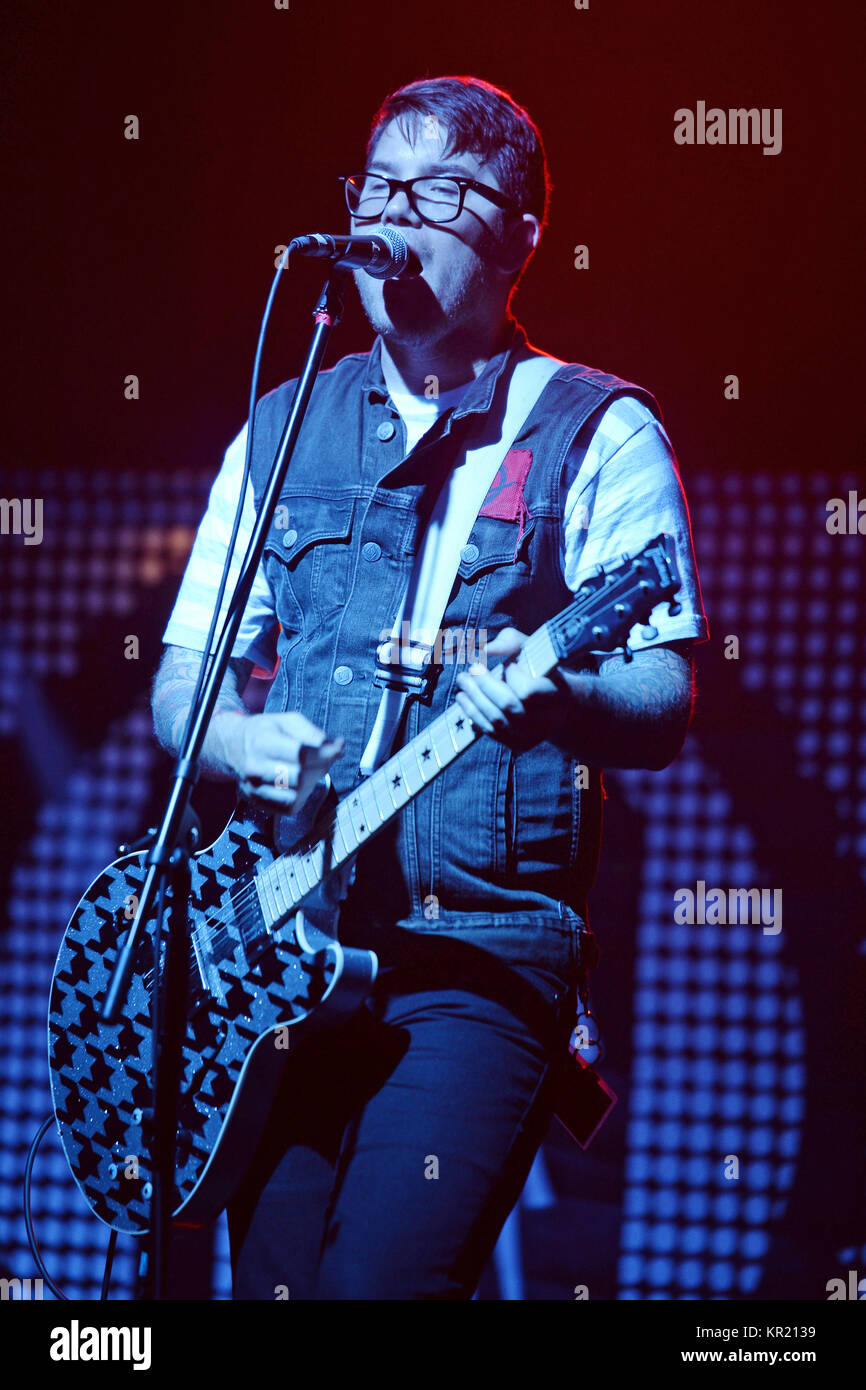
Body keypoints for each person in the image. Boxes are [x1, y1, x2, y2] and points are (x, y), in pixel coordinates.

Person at [151, 74, 708, 1300]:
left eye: (442, 194)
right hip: (288, 947)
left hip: (479, 956)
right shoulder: (284, 424)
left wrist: (558, 698)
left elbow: (663, 697)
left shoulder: (592, 429)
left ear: (520, 236)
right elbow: (182, 677)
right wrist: (234, 739)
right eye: (380, 187)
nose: (395, 220)